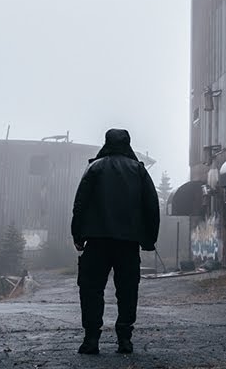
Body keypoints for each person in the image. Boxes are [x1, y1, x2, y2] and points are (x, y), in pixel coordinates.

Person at [70, 128, 160, 355]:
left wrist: (78, 235)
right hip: (128, 243)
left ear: (106, 142)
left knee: (91, 290)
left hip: (97, 241)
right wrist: (149, 240)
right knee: (127, 290)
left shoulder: (95, 168)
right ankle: (124, 339)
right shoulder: (138, 170)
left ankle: (91, 339)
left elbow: (80, 204)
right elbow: (151, 206)